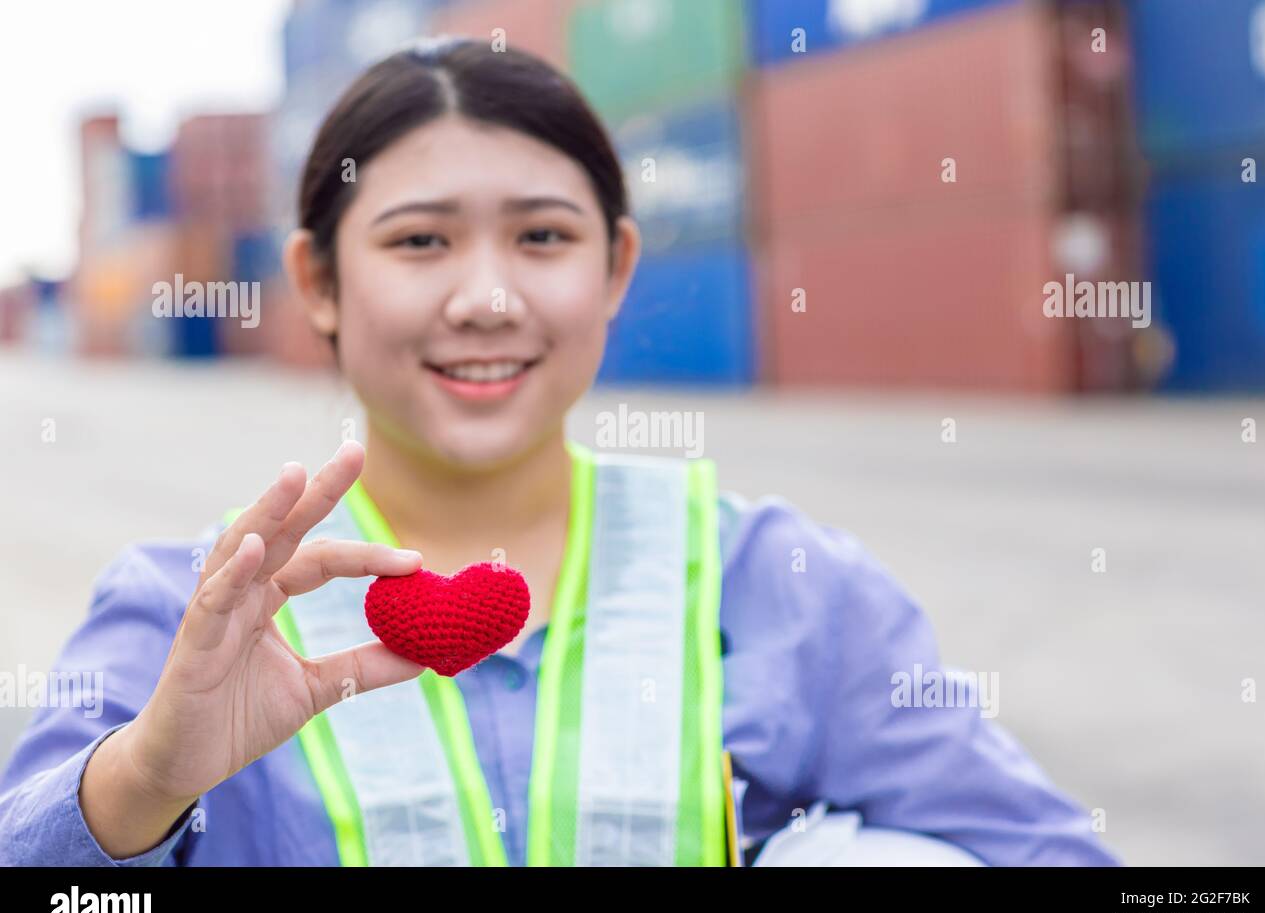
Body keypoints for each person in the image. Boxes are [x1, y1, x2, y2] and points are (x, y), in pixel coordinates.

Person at [0, 37, 1120, 867]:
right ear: (317, 282)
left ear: (616, 265)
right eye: (420, 240)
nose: (487, 298)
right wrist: (144, 779)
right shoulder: (183, 613)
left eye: (542, 236)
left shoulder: (777, 583)